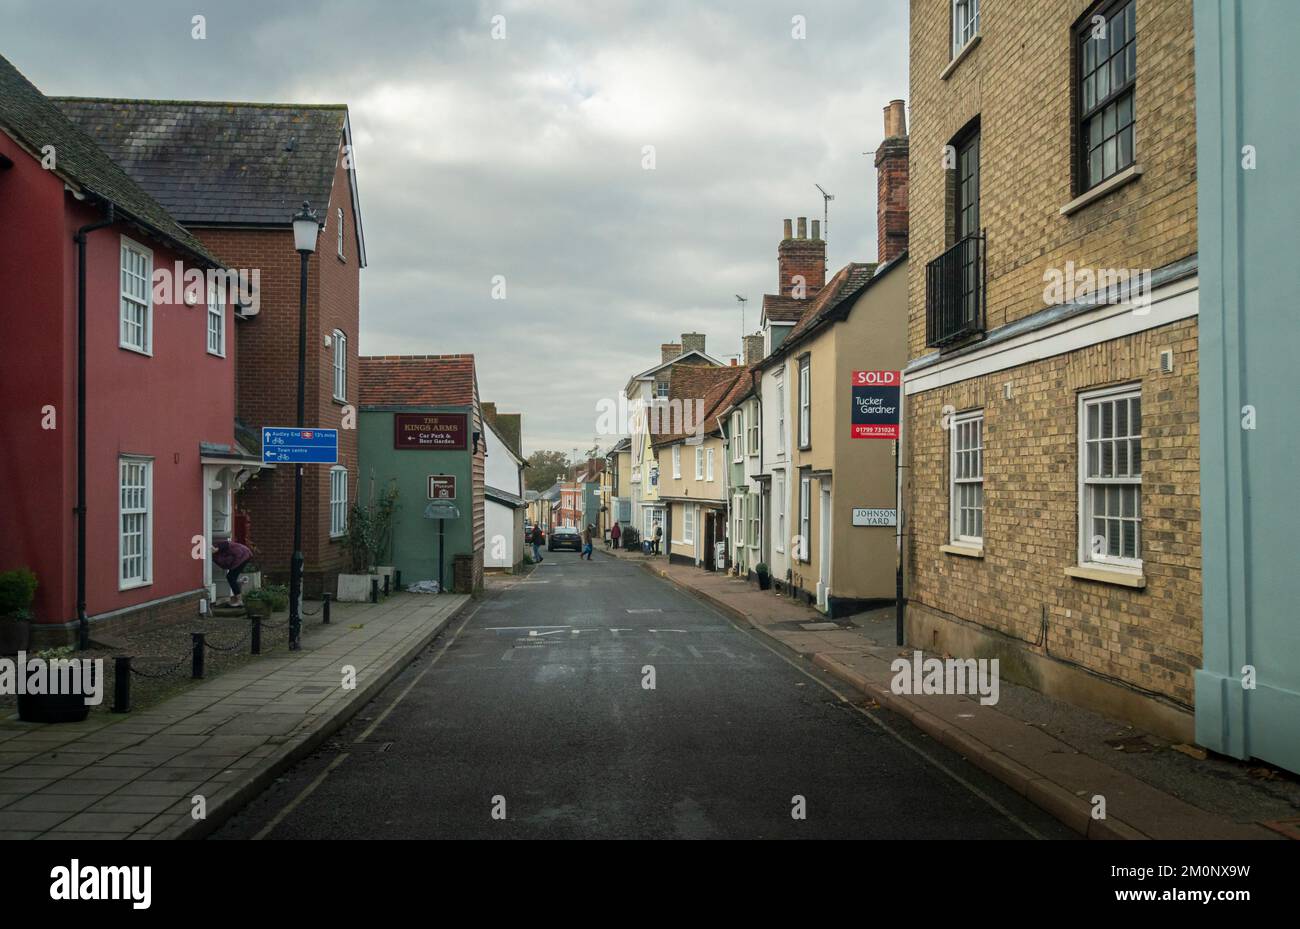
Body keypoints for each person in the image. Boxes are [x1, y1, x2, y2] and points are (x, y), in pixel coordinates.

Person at [212, 538, 253, 607]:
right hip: (241, 556)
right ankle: (238, 587)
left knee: (230, 577)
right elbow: (224, 565)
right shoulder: (215, 557)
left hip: (242, 555)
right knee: (232, 577)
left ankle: (239, 600)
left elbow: (226, 543)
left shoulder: (217, 546)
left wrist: (217, 549)